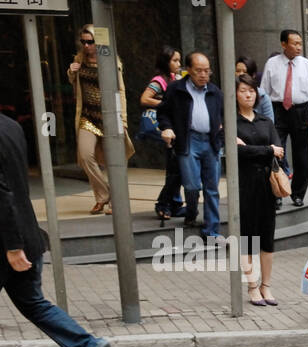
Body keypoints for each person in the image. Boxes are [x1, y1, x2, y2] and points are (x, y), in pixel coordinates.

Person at [0, 111, 111, 347]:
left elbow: (2, 194)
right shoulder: (11, 126)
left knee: (33, 302)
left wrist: (13, 246)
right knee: (33, 303)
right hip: (27, 233)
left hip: (8, 242)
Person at [157, 52, 223, 238]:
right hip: (188, 140)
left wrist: (222, 128)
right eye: (198, 71)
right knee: (192, 185)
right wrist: (167, 128)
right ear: (188, 70)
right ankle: (191, 211)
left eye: (207, 71)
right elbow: (163, 113)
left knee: (212, 188)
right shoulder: (175, 89)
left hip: (211, 141)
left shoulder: (215, 91)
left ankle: (211, 231)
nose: (203, 75)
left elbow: (226, 114)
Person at [67, 24, 131, 215]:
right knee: (85, 156)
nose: (87, 46)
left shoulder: (111, 63)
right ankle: (103, 195)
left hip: (109, 116)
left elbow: (121, 92)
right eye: (84, 42)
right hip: (87, 116)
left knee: (114, 160)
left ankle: (114, 201)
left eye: (91, 42)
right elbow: (74, 84)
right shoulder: (79, 60)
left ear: (99, 42)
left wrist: (123, 120)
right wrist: (71, 72)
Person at [233, 74, 284, 307]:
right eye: (243, 90)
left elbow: (280, 150)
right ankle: (252, 286)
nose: (248, 94)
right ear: (235, 94)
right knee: (248, 238)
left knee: (267, 238)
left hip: (267, 185)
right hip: (244, 186)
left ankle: (267, 285)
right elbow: (237, 153)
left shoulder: (266, 121)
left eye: (252, 90)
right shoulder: (232, 122)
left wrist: (256, 149)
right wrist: (267, 149)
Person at [260, 29, 308, 206]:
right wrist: (264, 117)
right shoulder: (272, 63)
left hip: (301, 111)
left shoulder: (307, 65)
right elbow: (264, 91)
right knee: (275, 151)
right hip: (277, 110)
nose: (299, 47)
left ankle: (298, 193)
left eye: (300, 43)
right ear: (284, 44)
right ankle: (276, 192)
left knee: (302, 155)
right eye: (295, 43)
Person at [141, 46, 184, 220]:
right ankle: (164, 203)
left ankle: (173, 203)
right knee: (175, 168)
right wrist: (166, 105)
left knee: (177, 168)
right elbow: (144, 99)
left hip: (179, 128)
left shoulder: (177, 77)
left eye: (179, 60)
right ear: (166, 62)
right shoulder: (159, 81)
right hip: (169, 129)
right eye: (175, 60)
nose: (178, 64)